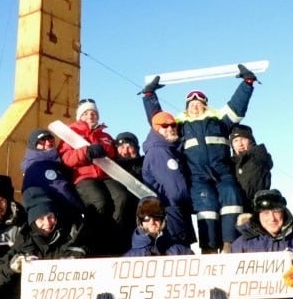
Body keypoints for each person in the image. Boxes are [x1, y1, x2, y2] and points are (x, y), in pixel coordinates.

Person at [140, 65, 258, 253]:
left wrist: (247, 83)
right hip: (197, 176)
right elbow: (159, 121)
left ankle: (230, 245)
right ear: (186, 107)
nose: (195, 106)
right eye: (191, 103)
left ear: (205, 105)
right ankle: (209, 248)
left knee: (232, 197)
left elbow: (237, 105)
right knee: (207, 206)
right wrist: (149, 96)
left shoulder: (219, 120)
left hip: (222, 172)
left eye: (199, 103)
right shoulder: (180, 125)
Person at [58, 99, 136, 255]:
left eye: (93, 113)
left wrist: (106, 149)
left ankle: (114, 239)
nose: (90, 115)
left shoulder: (105, 135)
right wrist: (86, 153)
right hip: (83, 176)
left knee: (122, 197)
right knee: (100, 202)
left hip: (106, 175)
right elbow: (66, 158)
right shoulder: (70, 133)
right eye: (86, 113)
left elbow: (113, 154)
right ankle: (86, 242)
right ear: (80, 116)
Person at [140, 111, 195, 247]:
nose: (170, 128)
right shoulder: (159, 151)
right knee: (177, 251)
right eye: (164, 126)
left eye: (173, 125)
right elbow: (175, 190)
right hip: (170, 211)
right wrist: (194, 202)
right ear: (156, 129)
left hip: (174, 211)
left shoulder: (169, 149)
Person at [21, 128, 85, 215]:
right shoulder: (40, 165)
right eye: (42, 140)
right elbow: (62, 189)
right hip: (56, 213)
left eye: (50, 138)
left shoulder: (52, 161)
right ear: (34, 145)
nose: (48, 142)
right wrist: (82, 210)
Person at [229, 124, 274, 225]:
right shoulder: (230, 164)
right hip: (238, 211)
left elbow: (264, 158)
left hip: (259, 209)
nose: (240, 144)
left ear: (250, 140)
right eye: (235, 141)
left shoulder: (259, 156)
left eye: (243, 139)